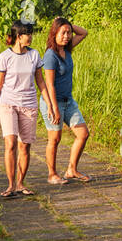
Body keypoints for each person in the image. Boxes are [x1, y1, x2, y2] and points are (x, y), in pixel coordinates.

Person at [0, 22, 50, 198]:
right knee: (11, 143)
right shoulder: (4, 56)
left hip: (28, 104)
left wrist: (50, 105)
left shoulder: (34, 55)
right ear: (18, 36)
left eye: (31, 34)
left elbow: (41, 82)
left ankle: (21, 183)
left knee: (25, 146)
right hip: (8, 103)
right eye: (26, 34)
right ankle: (10, 185)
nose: (30, 37)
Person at [40, 17, 90, 183]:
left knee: (83, 134)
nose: (67, 36)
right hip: (53, 102)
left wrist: (66, 22)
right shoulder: (50, 55)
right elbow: (49, 85)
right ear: (54, 34)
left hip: (68, 101)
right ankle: (52, 174)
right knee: (55, 139)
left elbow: (84, 33)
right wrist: (53, 108)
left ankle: (71, 169)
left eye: (68, 33)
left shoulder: (67, 50)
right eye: (63, 33)